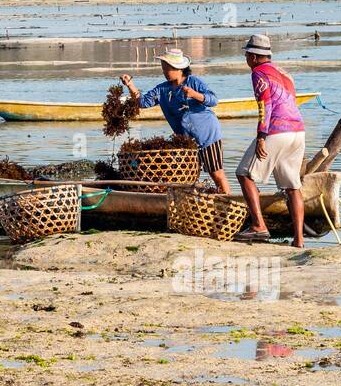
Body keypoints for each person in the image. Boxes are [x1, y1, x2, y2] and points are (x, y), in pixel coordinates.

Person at [120, 48, 229, 194]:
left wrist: (194, 94)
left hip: (207, 135)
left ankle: (228, 201)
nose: (164, 72)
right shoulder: (162, 89)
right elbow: (143, 102)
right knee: (187, 175)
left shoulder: (193, 82)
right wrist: (130, 84)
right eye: (163, 68)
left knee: (216, 173)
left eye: (167, 68)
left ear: (179, 69)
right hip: (185, 140)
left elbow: (213, 100)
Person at [233, 34, 306, 246]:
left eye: (247, 54)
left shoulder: (259, 73)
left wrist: (261, 137)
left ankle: (258, 225)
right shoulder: (284, 73)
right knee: (292, 186)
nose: (246, 58)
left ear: (255, 57)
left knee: (244, 173)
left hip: (277, 130)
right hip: (297, 131)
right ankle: (299, 240)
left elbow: (265, 106)